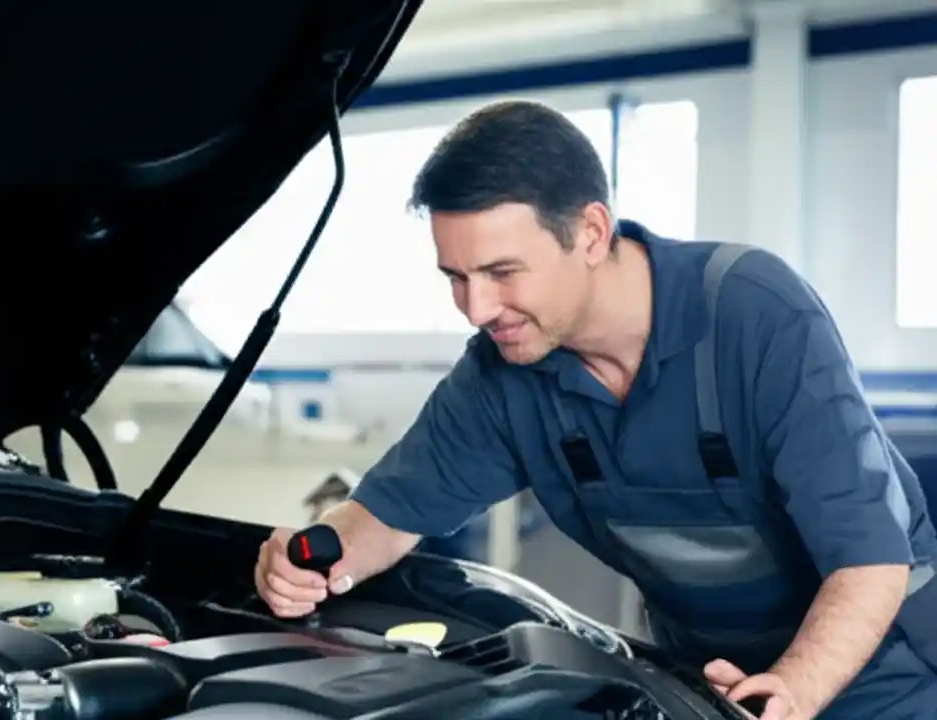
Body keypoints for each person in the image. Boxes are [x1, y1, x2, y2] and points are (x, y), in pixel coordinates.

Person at [253, 100, 937, 720]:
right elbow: (386, 517)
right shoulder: (502, 371)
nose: (477, 308)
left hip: (884, 676)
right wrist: (310, 558)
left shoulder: (755, 314)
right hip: (712, 685)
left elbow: (871, 562)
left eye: (501, 272)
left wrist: (794, 688)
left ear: (590, 233)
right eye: (456, 278)